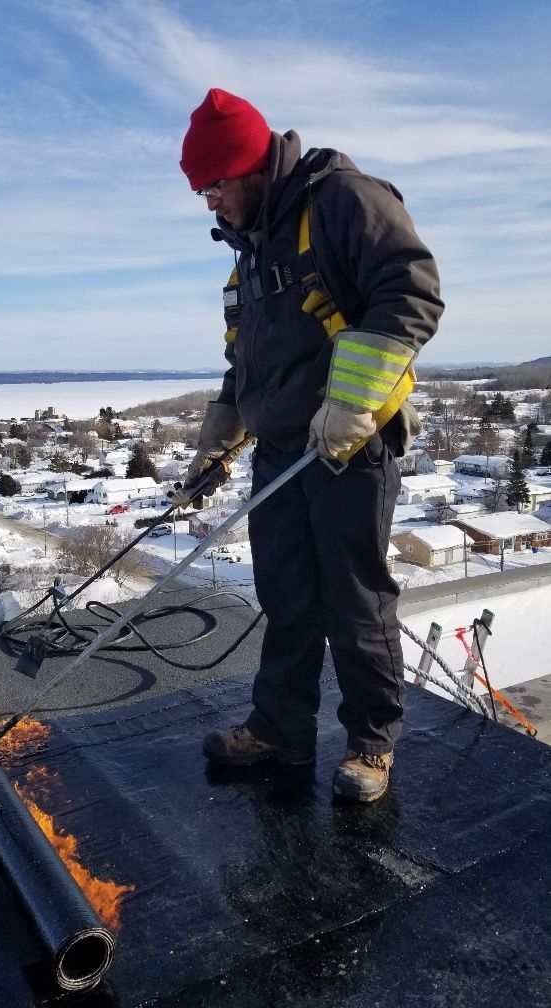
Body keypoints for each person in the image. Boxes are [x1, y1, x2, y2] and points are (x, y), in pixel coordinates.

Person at [175, 88, 444, 802]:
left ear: (250, 166)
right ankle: (282, 730)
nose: (208, 202)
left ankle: (370, 744)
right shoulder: (253, 252)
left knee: (353, 599)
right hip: (281, 452)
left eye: (214, 185)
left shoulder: (343, 202)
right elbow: (250, 363)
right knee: (287, 596)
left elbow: (411, 290)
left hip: (349, 448)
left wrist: (352, 401)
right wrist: (221, 436)